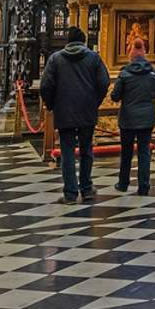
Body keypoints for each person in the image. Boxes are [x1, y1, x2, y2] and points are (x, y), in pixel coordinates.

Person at [40, 25, 110, 204]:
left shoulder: (56, 59)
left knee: (68, 151)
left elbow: (46, 85)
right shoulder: (94, 58)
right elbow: (104, 82)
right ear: (84, 40)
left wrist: (51, 104)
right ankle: (86, 189)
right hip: (87, 109)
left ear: (67, 41)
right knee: (86, 150)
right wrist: (95, 101)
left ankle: (70, 193)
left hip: (64, 111)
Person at [112, 38, 155, 195]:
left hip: (128, 118)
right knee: (144, 151)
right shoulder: (153, 73)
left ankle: (123, 183)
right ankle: (144, 185)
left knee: (126, 151)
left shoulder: (125, 73)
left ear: (131, 55)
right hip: (147, 117)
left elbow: (115, 96)